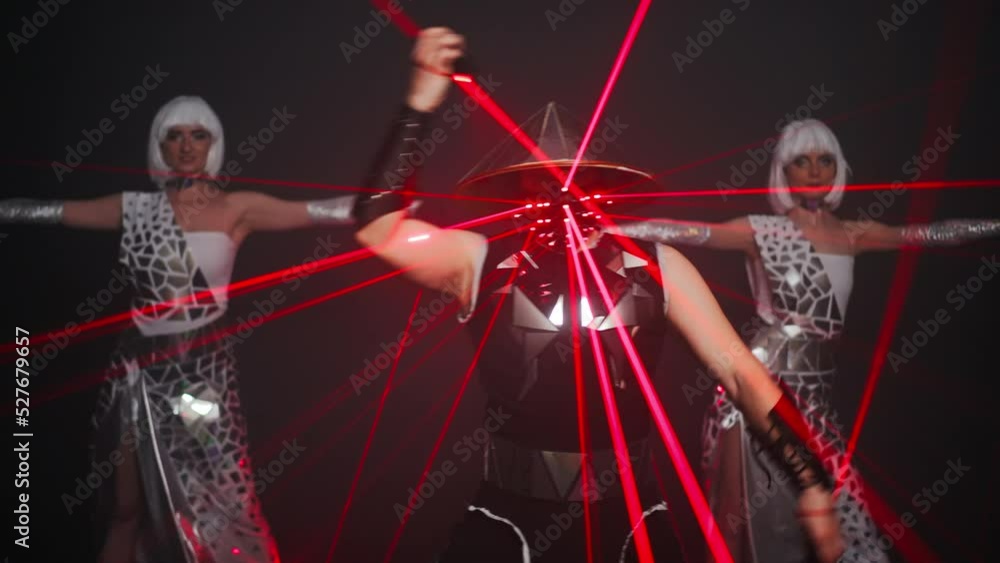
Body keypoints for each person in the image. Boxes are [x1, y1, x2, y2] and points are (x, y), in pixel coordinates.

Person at [350, 28, 845, 563]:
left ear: (603, 185)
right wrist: (421, 98)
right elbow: (377, 227)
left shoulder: (659, 266)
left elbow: (744, 378)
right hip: (507, 523)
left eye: (576, 180)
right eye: (544, 182)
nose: (561, 193)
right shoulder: (478, 259)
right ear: (519, 190)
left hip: (630, 525)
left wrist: (813, 482)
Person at [607, 118, 999, 562]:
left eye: (825, 160)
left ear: (839, 168)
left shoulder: (853, 234)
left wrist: (993, 226)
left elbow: (932, 234)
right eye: (801, 161)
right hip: (760, 388)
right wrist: (609, 230)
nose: (814, 170)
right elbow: (688, 232)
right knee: (743, 533)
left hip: (817, 396)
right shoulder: (761, 230)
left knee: (835, 529)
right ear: (782, 171)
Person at [1, 95, 358, 562]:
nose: (186, 145)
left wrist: (396, 196)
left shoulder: (237, 208)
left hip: (197, 375)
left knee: (216, 497)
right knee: (126, 507)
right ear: (160, 146)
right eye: (174, 135)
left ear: (214, 143)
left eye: (198, 134)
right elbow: (49, 211)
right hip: (135, 372)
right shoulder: (134, 208)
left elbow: (327, 210)